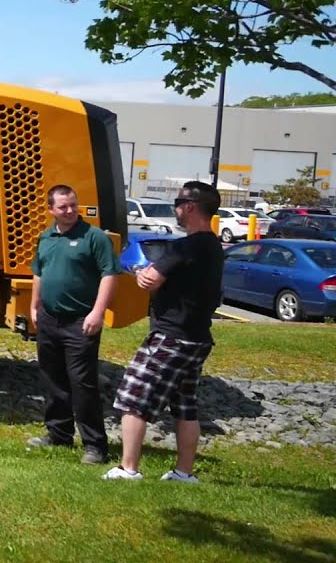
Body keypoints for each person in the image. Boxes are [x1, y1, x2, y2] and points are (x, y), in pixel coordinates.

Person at [104, 181, 225, 483]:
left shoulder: (184, 246)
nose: (176, 210)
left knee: (134, 396)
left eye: (178, 203)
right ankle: (184, 473)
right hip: (197, 337)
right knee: (185, 405)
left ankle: (128, 469)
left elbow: (150, 281)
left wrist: (141, 274)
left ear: (190, 207)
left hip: (172, 336)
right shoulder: (213, 245)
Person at [27, 184, 121, 465]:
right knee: (52, 379)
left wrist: (97, 312)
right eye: (63, 207)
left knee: (83, 383)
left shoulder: (94, 237)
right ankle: (59, 434)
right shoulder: (46, 238)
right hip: (49, 319)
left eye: (72, 205)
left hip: (80, 322)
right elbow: (38, 273)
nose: (69, 211)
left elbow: (110, 274)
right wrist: (34, 305)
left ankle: (95, 446)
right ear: (51, 210)